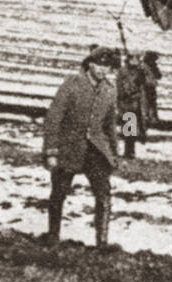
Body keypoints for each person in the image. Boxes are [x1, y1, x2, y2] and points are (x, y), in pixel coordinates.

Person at [42, 47, 119, 250]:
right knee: (59, 193)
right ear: (90, 64)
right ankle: (53, 236)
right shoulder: (72, 84)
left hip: (96, 151)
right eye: (100, 65)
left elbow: (110, 125)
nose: (104, 70)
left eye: (108, 67)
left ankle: (102, 242)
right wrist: (51, 151)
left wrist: (114, 154)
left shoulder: (110, 90)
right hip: (69, 148)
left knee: (104, 194)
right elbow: (53, 118)